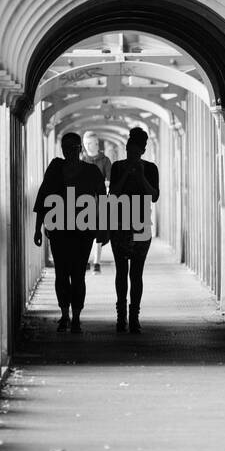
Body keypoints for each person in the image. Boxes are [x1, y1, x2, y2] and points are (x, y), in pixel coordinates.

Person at [33, 132, 108, 332]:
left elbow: (102, 200)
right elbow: (43, 197)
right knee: (61, 273)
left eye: (73, 148)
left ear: (79, 149)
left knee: (77, 273)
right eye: (66, 148)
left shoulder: (91, 171)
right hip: (58, 229)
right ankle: (65, 314)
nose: (69, 152)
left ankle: (76, 316)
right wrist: (37, 228)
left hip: (83, 231)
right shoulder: (55, 169)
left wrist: (103, 228)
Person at [108, 126, 159, 333]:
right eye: (130, 152)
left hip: (141, 225)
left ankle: (134, 316)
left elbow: (154, 196)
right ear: (126, 149)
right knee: (121, 271)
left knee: (136, 273)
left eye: (136, 153)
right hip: (119, 225)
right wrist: (127, 173)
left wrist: (140, 177)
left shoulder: (151, 168)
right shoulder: (118, 167)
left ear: (142, 152)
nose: (132, 155)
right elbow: (114, 193)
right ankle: (121, 316)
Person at [81, 136, 113, 272]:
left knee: (98, 231)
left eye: (90, 143)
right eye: (85, 143)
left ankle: (97, 261)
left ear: (96, 143)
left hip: (100, 200)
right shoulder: (82, 159)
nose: (87, 145)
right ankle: (86, 260)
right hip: (83, 201)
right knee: (84, 230)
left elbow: (111, 180)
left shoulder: (105, 161)